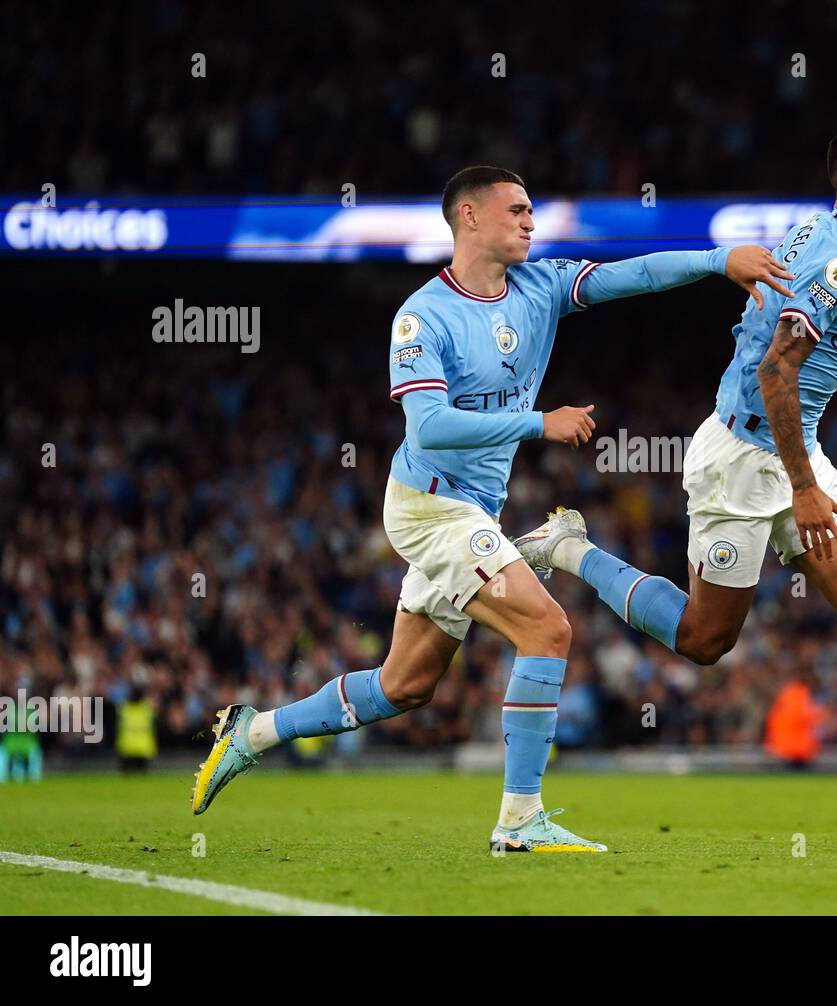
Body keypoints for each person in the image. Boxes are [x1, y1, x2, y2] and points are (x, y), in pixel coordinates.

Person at [190, 165, 794, 855]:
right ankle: (519, 820)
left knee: (404, 684)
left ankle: (254, 731)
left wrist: (719, 260)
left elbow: (637, 275)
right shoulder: (423, 316)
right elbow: (430, 427)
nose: (531, 222)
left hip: (474, 508)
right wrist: (541, 424)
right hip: (430, 507)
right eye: (517, 210)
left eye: (534, 210)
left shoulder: (540, 286)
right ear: (469, 217)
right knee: (548, 628)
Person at [516, 119, 837, 848]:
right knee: (705, 642)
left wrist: (803, 473)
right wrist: (803, 487)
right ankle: (571, 550)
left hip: (790, 448)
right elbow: (776, 372)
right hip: (743, 460)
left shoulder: (825, 239)